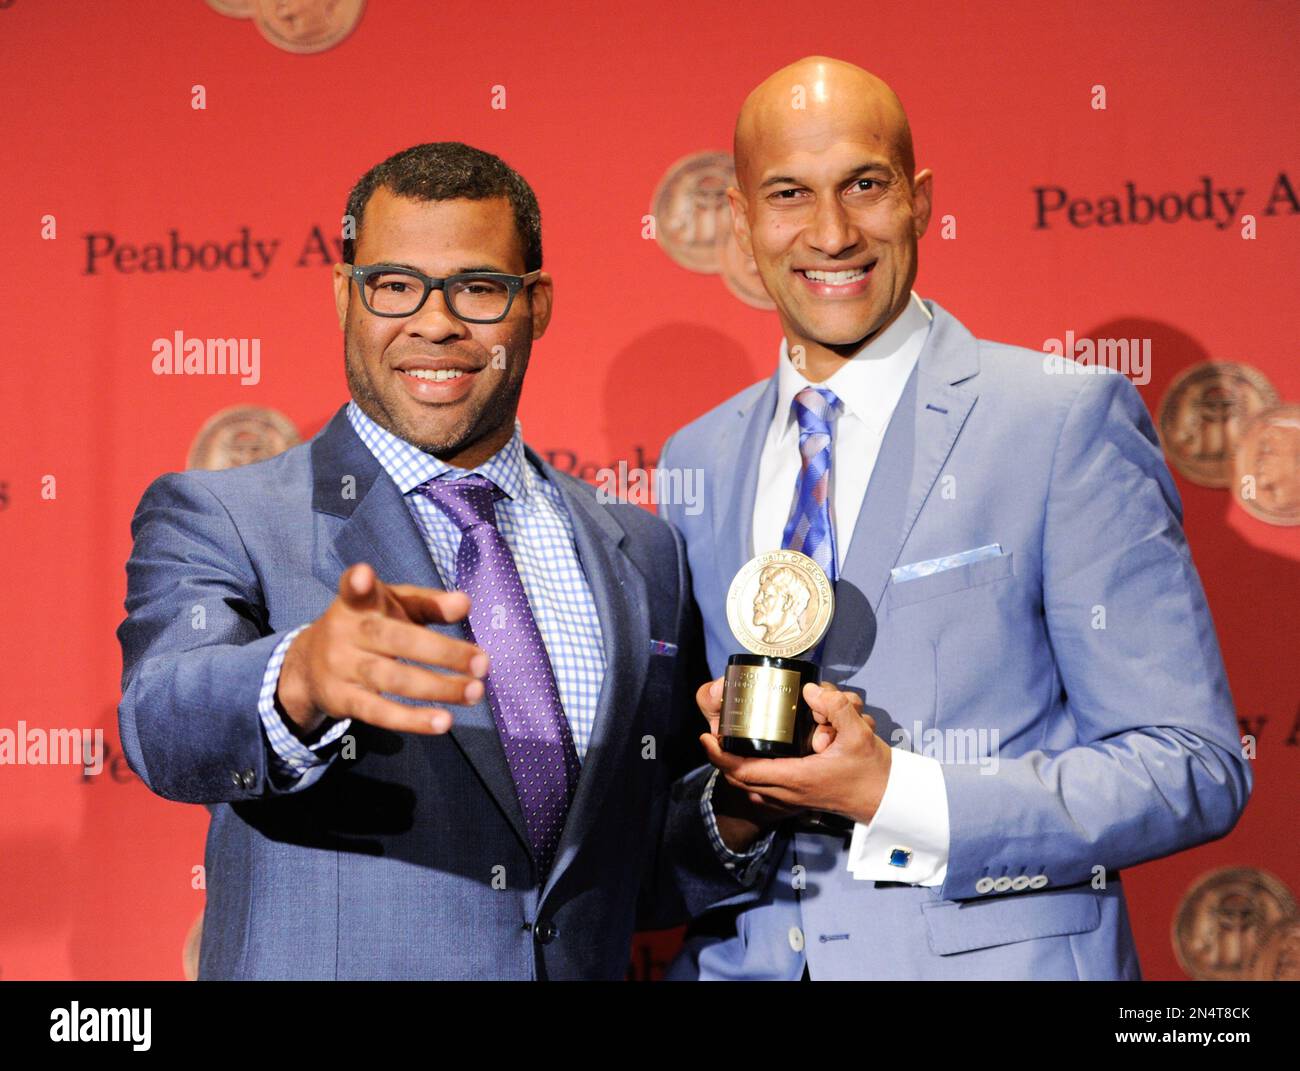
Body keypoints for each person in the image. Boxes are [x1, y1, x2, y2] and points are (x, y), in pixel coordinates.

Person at [657, 57, 1251, 980]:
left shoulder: (1060, 418)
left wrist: (897, 793)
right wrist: (740, 803)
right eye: (789, 193)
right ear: (741, 220)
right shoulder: (695, 456)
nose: (831, 232)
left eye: (864, 185)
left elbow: (1192, 764)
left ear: (921, 200)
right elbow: (672, 804)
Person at [117, 141, 747, 980]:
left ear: (537, 304)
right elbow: (162, 721)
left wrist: (743, 806)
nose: (436, 322)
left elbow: (626, 867)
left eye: (478, 288)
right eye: (394, 285)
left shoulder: (642, 551)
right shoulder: (225, 514)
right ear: (345, 294)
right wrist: (299, 676)